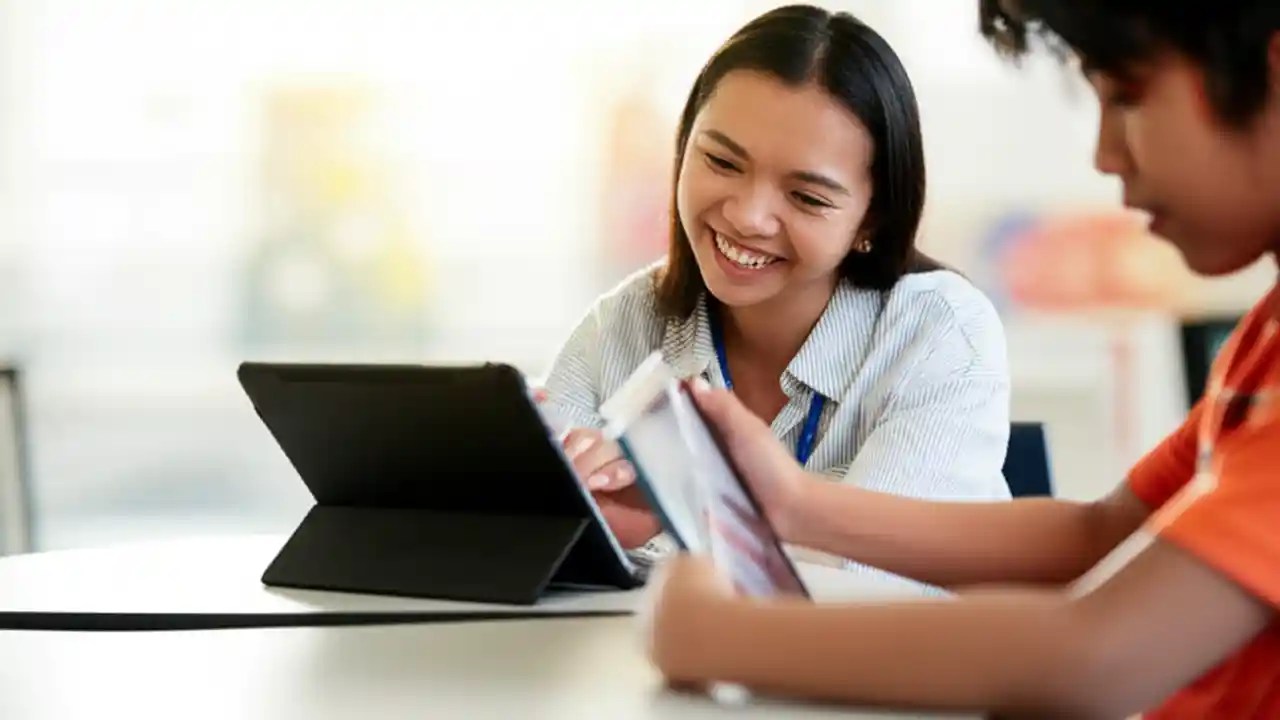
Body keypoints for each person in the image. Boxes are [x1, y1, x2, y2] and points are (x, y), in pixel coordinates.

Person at [645, 1, 1280, 717]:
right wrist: (793, 504)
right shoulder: (1267, 338)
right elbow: (1099, 535)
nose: (1106, 155)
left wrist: (722, 638)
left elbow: (1097, 656)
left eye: (1127, 96)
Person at [541, 4, 1012, 556]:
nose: (747, 216)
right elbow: (540, 538)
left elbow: (870, 583)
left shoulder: (939, 335)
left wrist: (679, 515)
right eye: (721, 162)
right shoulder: (621, 326)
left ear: (870, 220)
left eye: (806, 197)